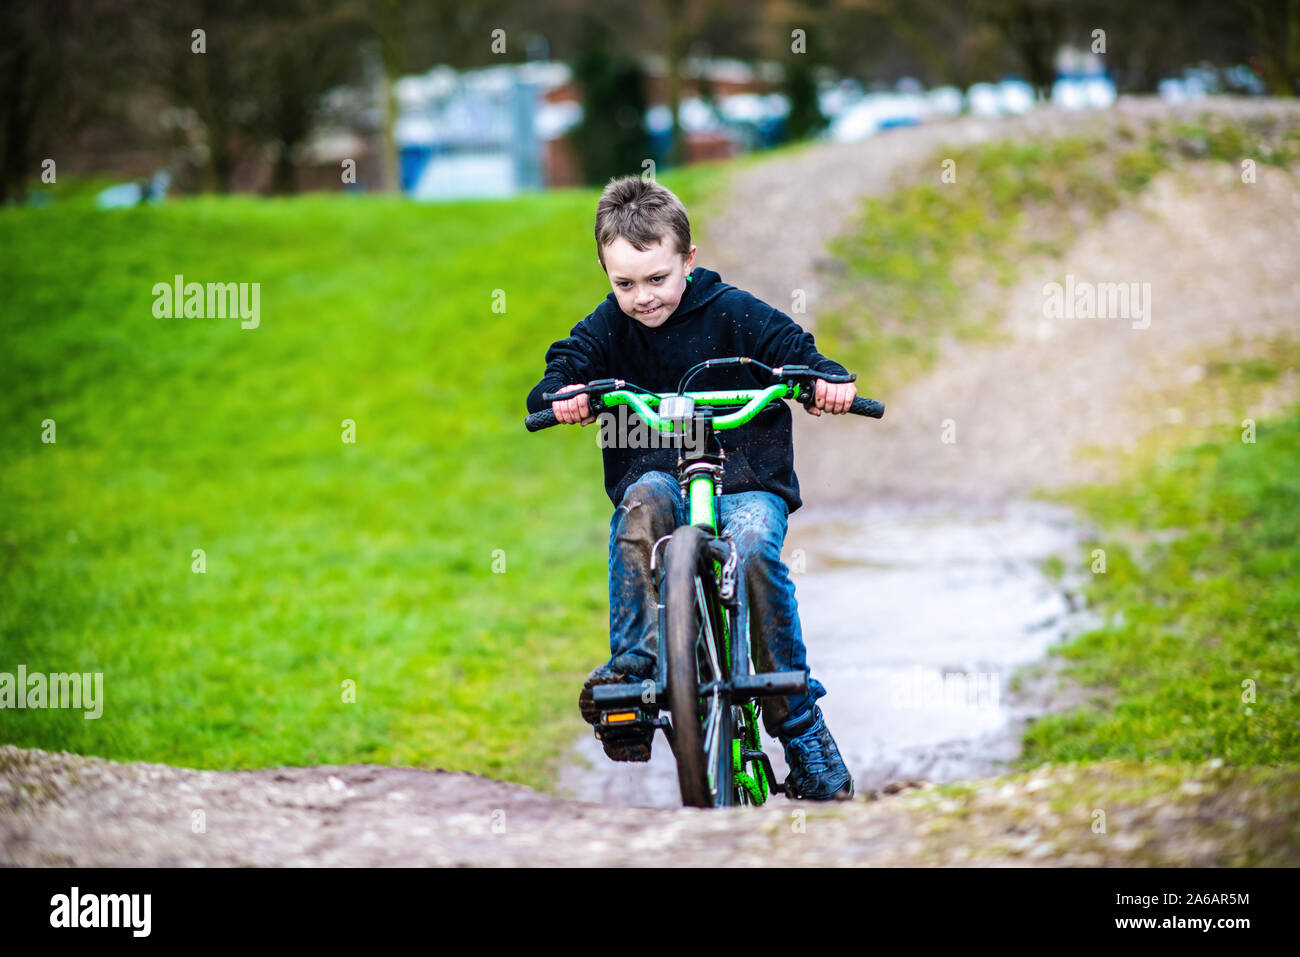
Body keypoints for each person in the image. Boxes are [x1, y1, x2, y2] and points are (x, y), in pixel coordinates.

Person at [525, 176, 856, 799]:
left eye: (657, 278)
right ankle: (635, 675)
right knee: (641, 508)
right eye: (624, 283)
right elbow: (565, 363)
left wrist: (824, 382)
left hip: (746, 475)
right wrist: (561, 394)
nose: (643, 298)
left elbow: (794, 350)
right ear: (606, 272)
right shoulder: (610, 328)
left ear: (688, 261)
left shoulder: (734, 312)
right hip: (656, 468)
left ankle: (801, 725)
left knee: (755, 550)